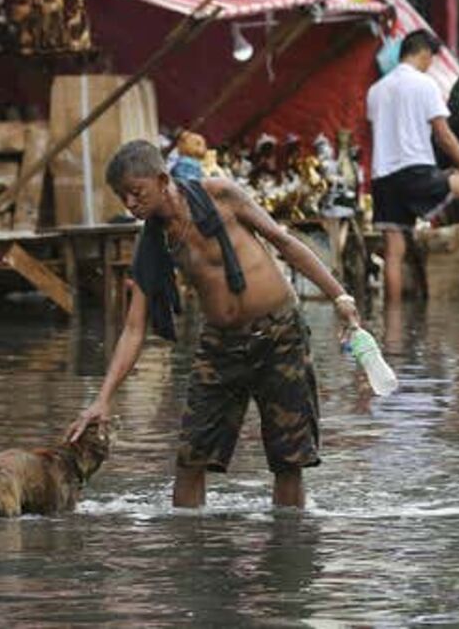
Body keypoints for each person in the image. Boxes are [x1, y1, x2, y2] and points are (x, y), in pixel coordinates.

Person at [64, 140, 361, 509]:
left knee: (289, 461)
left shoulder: (222, 195)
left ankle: (290, 550)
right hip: (221, 345)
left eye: (136, 193)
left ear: (161, 179)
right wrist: (103, 398)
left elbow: (284, 242)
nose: (130, 204)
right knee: (191, 457)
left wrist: (340, 298)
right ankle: (189, 553)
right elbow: (134, 327)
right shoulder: (152, 242)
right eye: (123, 197)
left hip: (280, 334)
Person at [366, 29, 459, 303]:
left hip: (383, 178)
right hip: (417, 173)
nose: (430, 65)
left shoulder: (375, 90)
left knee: (393, 251)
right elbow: (444, 136)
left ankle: (393, 328)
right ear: (424, 53)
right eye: (431, 60)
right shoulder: (424, 85)